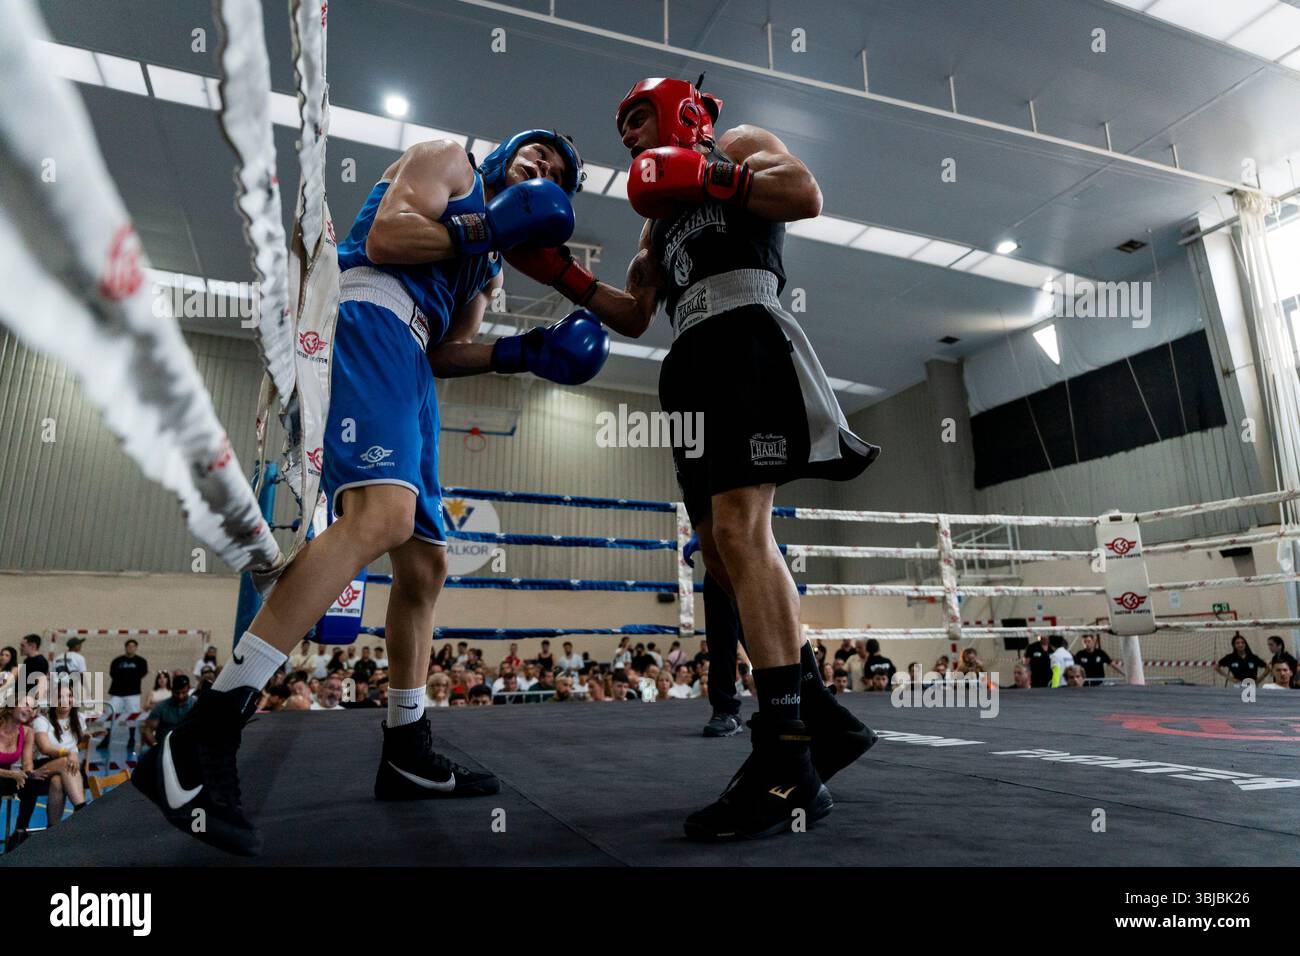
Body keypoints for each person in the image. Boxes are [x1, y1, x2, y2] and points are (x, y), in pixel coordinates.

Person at [130, 128, 609, 856]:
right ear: (508, 155)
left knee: (425, 564)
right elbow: (388, 238)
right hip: (366, 315)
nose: (544, 167)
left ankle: (406, 746)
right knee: (380, 519)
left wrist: (525, 354)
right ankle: (202, 733)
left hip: (412, 358)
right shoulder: (449, 164)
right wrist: (488, 224)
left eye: (557, 172)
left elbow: (447, 348)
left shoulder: (484, 270)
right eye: (539, 153)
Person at [597, 76, 883, 840]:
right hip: (686, 360)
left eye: (636, 118)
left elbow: (807, 194)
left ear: (679, 111)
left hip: (745, 333)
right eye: (621, 126)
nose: (627, 135)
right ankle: (821, 718)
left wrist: (715, 172)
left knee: (740, 532)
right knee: (717, 557)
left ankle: (788, 755)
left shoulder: (742, 145)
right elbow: (633, 313)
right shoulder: (655, 225)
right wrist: (559, 274)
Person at [105, 638, 148, 752]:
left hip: (133, 694)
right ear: (126, 647)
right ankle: (107, 736)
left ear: (136, 648)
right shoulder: (117, 661)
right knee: (110, 713)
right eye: (129, 646)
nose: (131, 648)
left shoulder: (141, 661)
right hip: (117, 693)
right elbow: (112, 674)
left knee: (133, 716)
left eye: (133, 646)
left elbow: (142, 674)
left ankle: (132, 738)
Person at [141, 674, 194, 749]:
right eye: (177, 693)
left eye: (183, 692)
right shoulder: (161, 706)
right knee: (144, 753)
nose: (180, 696)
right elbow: (148, 729)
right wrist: (156, 745)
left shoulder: (195, 705)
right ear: (172, 690)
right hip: (163, 745)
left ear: (188, 689)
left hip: (188, 745)